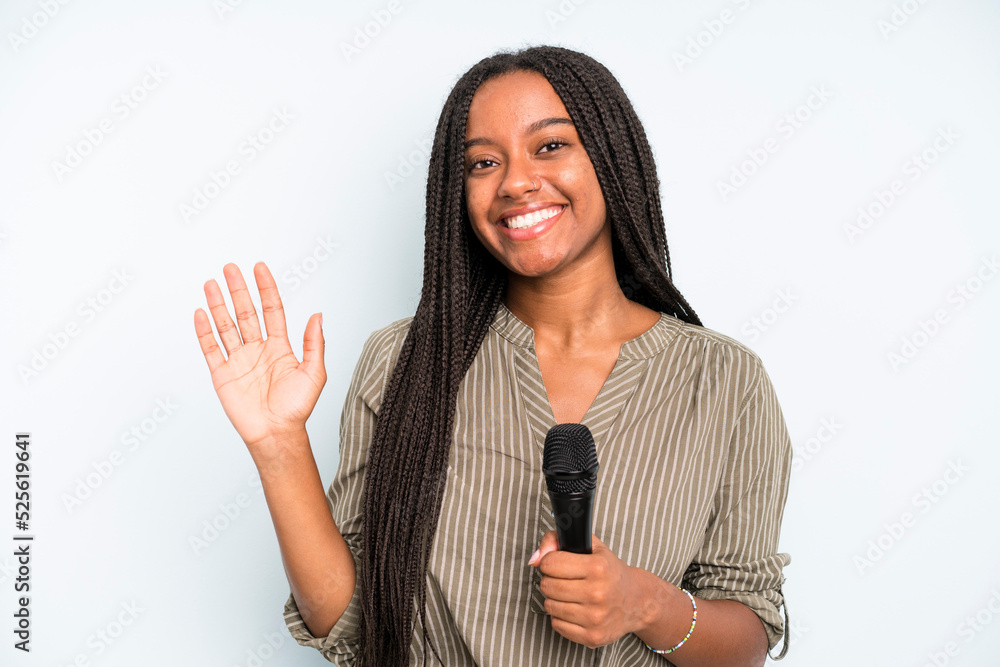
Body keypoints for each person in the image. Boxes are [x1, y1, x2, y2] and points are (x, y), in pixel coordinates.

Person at [194, 45, 792, 666]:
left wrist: (646, 604)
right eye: (482, 162)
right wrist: (278, 444)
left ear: (614, 160)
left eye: (551, 145)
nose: (514, 181)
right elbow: (351, 625)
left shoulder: (726, 381)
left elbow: (744, 644)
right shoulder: (403, 360)